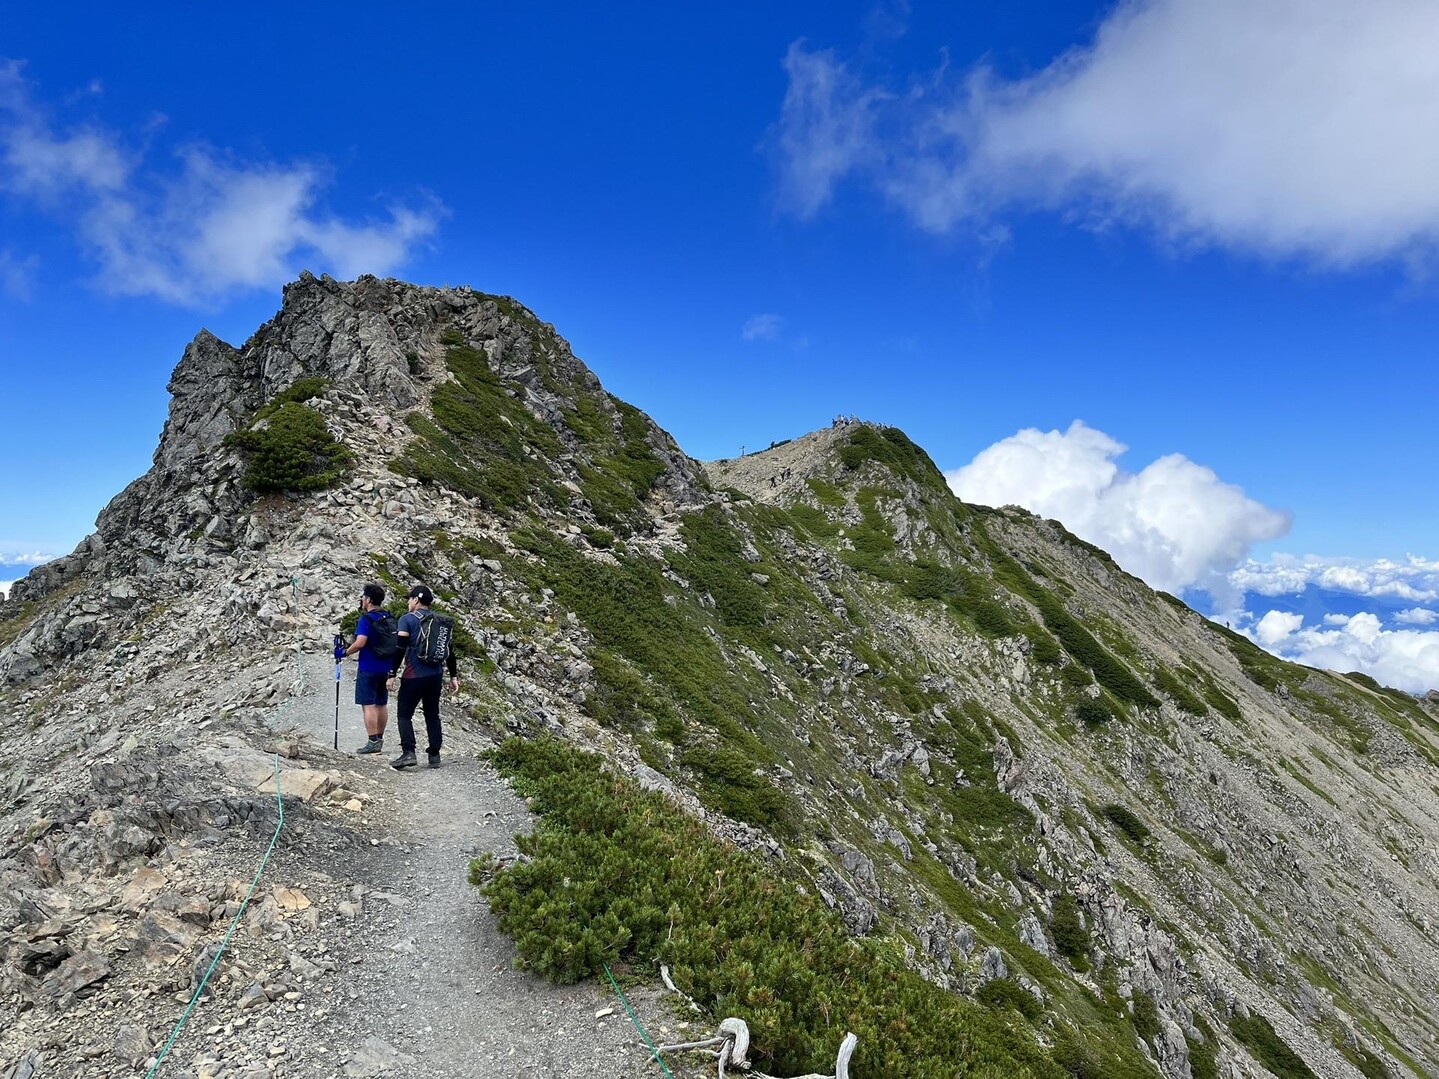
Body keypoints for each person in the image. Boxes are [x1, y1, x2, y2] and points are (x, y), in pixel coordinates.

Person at [388, 584, 459, 769]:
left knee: (404, 714)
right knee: (432, 714)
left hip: (413, 675)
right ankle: (434, 754)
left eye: (409, 598)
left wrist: (391, 673)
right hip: (435, 675)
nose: (407, 602)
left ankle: (408, 753)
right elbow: (449, 651)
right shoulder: (440, 621)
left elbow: (399, 648)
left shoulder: (407, 620)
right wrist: (454, 676)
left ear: (416, 600)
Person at [342, 583, 394, 754]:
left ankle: (372, 741)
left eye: (363, 597)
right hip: (386, 667)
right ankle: (379, 738)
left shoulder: (366, 619)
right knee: (381, 703)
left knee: (368, 704)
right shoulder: (388, 616)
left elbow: (360, 642)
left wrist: (345, 653)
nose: (362, 600)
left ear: (369, 600)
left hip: (368, 667)